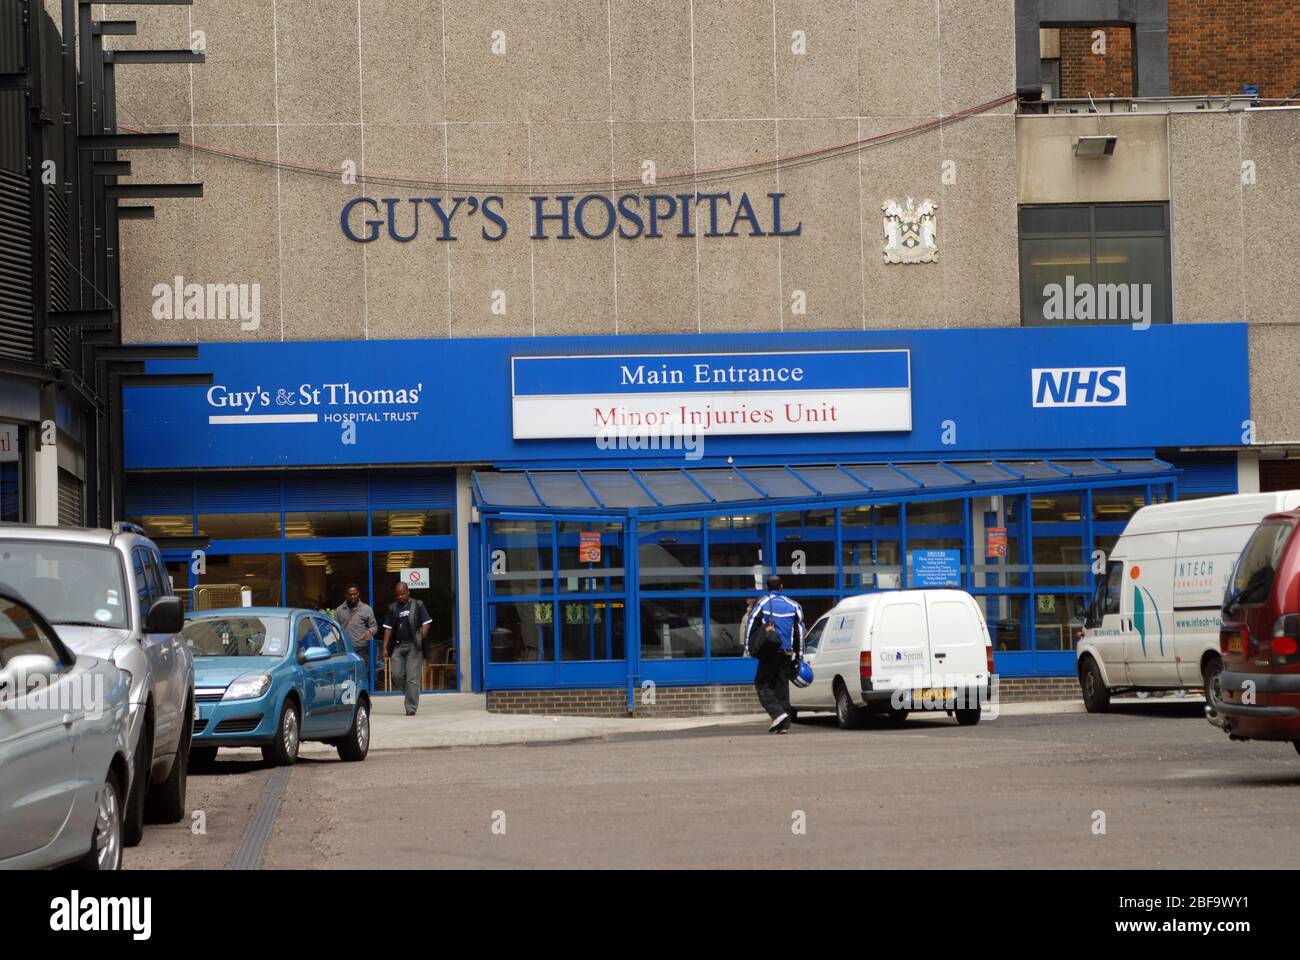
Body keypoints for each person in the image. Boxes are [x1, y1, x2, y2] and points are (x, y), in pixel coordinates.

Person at [747, 576, 804, 734]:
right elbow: (799, 633)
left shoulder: (762, 603)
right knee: (781, 686)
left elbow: (751, 624)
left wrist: (748, 646)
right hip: (787, 652)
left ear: (767, 587)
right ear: (782, 587)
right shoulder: (794, 606)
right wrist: (799, 656)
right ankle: (784, 723)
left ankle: (778, 714)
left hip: (769, 652)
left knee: (762, 684)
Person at [383, 581, 432, 716]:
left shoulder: (418, 605)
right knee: (396, 675)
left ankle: (411, 708)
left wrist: (420, 636)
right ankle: (410, 693)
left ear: (408, 592)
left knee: (412, 678)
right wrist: (385, 647)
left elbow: (427, 623)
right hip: (398, 646)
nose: (400, 597)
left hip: (414, 646)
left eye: (402, 594)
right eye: (398, 595)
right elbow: (388, 628)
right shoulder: (393, 608)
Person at [335, 583, 377, 679]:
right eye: (350, 594)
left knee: (362, 674)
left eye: (355, 594)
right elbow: (335, 628)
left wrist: (370, 632)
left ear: (359, 594)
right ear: (346, 595)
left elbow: (374, 626)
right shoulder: (339, 610)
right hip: (345, 649)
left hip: (361, 648)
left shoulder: (366, 609)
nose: (353, 596)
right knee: (347, 676)